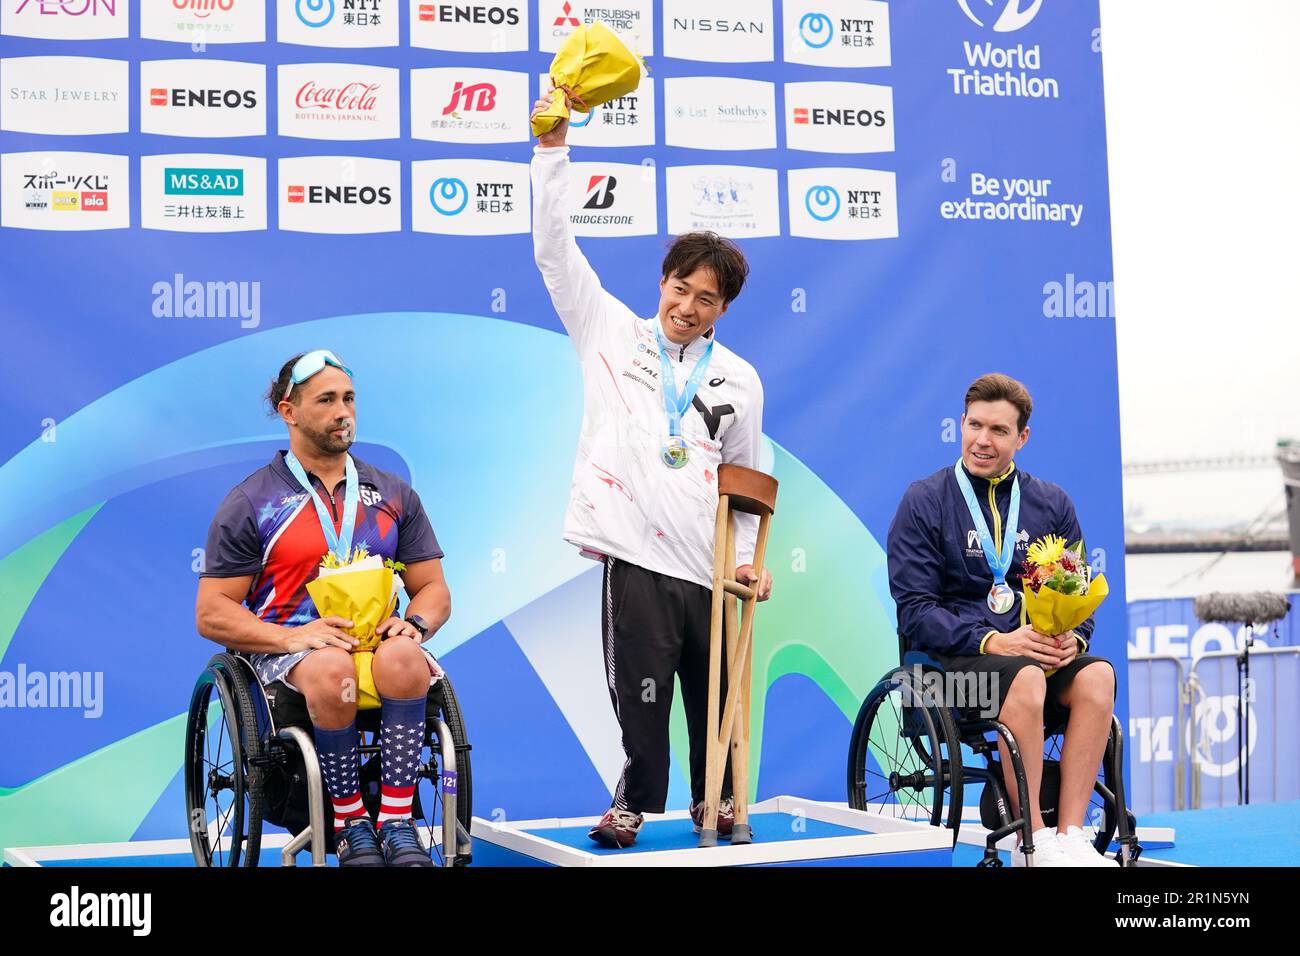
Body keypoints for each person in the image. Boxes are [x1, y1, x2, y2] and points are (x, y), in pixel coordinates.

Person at [531, 90, 773, 848]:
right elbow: (553, 251)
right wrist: (551, 150)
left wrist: (743, 563)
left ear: (723, 309)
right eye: (680, 288)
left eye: (707, 299)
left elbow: (745, 481)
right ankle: (634, 803)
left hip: (707, 566)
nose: (688, 307)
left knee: (716, 698)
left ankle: (717, 803)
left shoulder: (741, 379)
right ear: (661, 281)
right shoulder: (606, 329)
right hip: (634, 556)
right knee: (640, 699)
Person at [195, 350, 452, 867]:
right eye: (327, 400)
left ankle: (397, 822)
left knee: (407, 658)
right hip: (288, 653)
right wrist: (293, 637)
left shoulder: (392, 493)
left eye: (349, 399)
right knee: (332, 666)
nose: (344, 412)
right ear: (289, 412)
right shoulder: (252, 502)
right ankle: (351, 823)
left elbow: (434, 590)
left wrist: (414, 623)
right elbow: (212, 612)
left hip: (374, 646)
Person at [887, 372, 1116, 866]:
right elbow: (915, 611)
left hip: (1034, 661)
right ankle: (1031, 841)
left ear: (1022, 438)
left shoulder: (1051, 504)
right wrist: (994, 640)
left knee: (1098, 674)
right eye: (974, 426)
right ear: (960, 424)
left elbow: (1078, 592)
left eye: (998, 431)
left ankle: (1071, 834)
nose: (982, 441)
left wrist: (1074, 639)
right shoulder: (924, 501)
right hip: (950, 675)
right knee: (1027, 676)